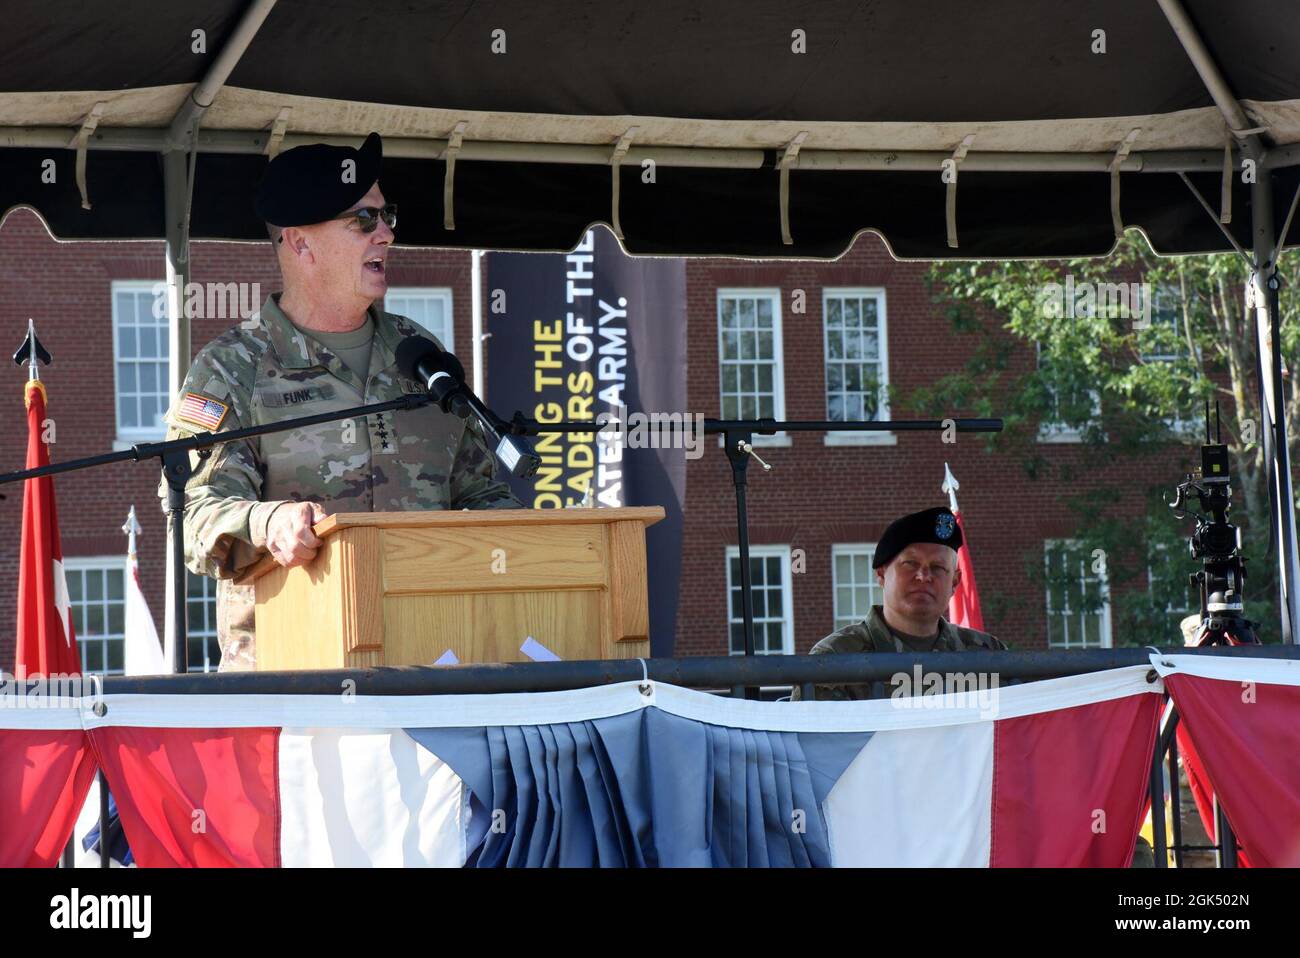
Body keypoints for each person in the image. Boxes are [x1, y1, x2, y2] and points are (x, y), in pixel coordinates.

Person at [158, 132, 521, 670]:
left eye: (387, 215)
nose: (388, 234)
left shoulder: (419, 355)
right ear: (301, 243)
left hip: (433, 668)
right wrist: (270, 522)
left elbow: (480, 493)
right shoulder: (231, 367)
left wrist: (538, 542)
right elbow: (196, 515)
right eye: (364, 220)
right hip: (295, 682)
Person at [793, 506, 1005, 700]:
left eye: (938, 567)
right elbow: (812, 740)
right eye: (910, 564)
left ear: (955, 582)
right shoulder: (834, 659)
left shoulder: (988, 655)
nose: (923, 576)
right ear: (882, 574)